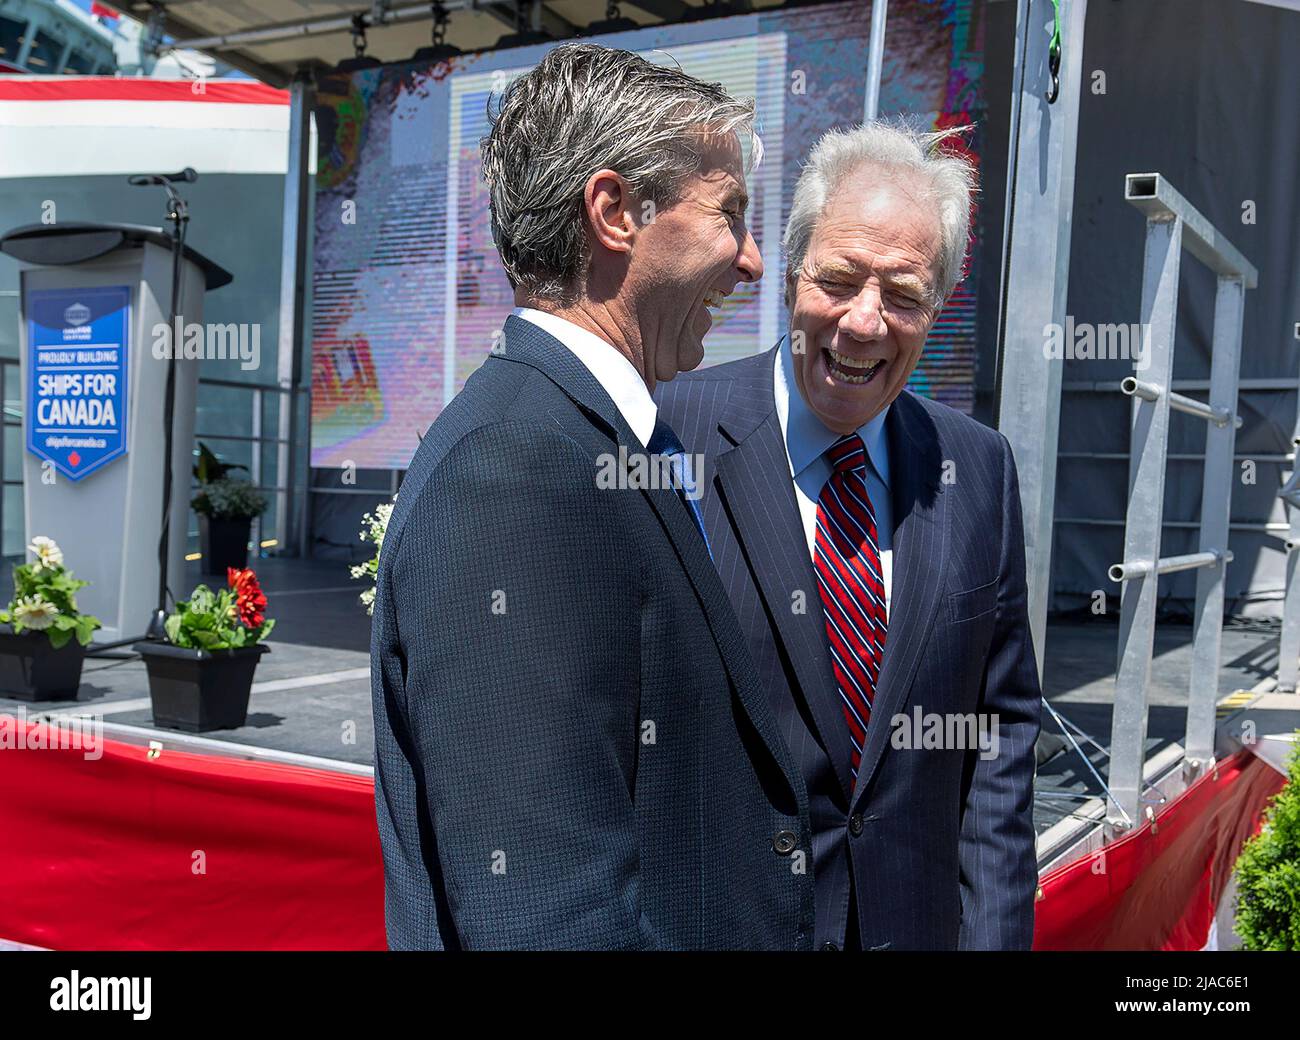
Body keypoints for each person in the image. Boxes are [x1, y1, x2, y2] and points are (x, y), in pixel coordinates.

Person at [370, 43, 815, 950]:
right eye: (730, 215)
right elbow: (548, 915)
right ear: (616, 211)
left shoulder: (589, 438)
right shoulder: (517, 471)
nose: (754, 262)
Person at [656, 120, 1042, 950]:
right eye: (839, 280)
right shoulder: (667, 438)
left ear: (936, 309)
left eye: (902, 295)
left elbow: (999, 741)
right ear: (791, 273)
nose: (865, 324)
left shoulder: (978, 470)